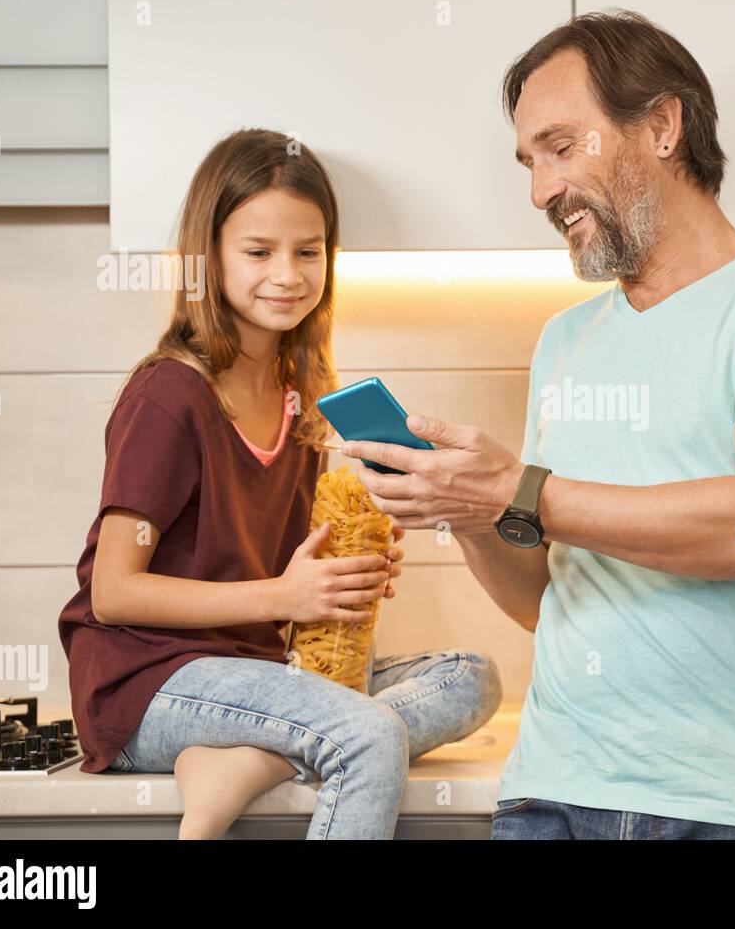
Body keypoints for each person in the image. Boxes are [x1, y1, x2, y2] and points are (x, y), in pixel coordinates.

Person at [342, 10, 735, 840]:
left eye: (563, 148)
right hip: (551, 794)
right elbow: (548, 598)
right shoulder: (567, 340)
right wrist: (471, 512)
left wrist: (517, 488)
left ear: (664, 126)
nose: (540, 191)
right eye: (529, 163)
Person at [58, 128, 502, 839]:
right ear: (210, 259)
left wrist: (336, 580)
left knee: (470, 679)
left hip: (260, 674)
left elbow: (273, 573)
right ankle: (281, 745)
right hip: (150, 685)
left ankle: (258, 759)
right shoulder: (170, 396)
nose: (288, 274)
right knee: (366, 735)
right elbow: (113, 591)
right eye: (259, 252)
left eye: (309, 251)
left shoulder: (299, 398)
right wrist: (283, 595)